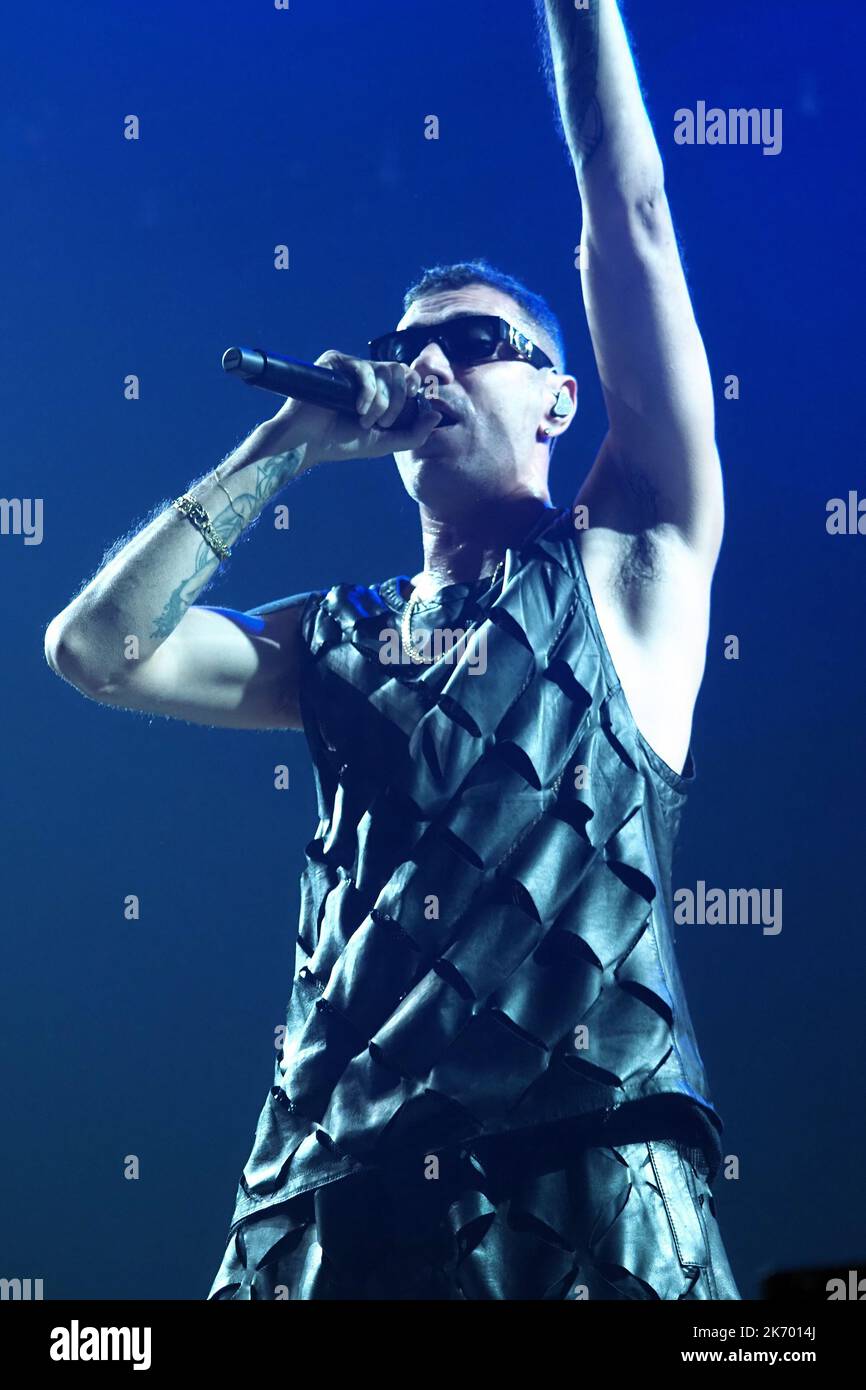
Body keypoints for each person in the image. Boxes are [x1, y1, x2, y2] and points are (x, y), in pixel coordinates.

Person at [44, 0, 740, 1299]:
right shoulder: (334, 637)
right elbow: (98, 648)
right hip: (321, 1187)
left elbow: (630, 215)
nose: (424, 358)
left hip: (577, 1164)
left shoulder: (631, 559)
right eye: (402, 344)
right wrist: (284, 447)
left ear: (554, 395)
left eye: (471, 342)